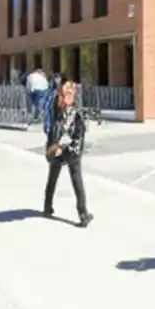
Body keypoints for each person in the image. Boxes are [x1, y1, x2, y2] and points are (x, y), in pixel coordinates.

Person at [43, 80, 91, 228]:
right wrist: (57, 145)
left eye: (71, 91)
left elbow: (77, 132)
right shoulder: (59, 108)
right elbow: (56, 129)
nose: (69, 94)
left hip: (65, 148)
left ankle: (81, 214)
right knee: (65, 177)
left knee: (65, 177)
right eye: (66, 92)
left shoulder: (72, 111)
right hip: (64, 149)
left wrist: (59, 145)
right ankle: (81, 214)